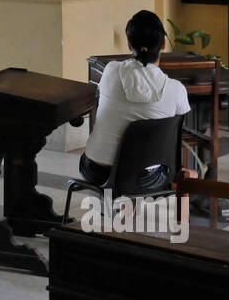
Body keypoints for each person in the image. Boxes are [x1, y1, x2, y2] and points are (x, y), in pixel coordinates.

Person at [81, 10, 191, 193]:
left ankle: (121, 204)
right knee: (195, 171)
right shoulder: (176, 90)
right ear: (163, 44)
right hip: (146, 178)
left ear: (128, 44)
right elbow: (178, 134)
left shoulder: (110, 71)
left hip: (97, 171)